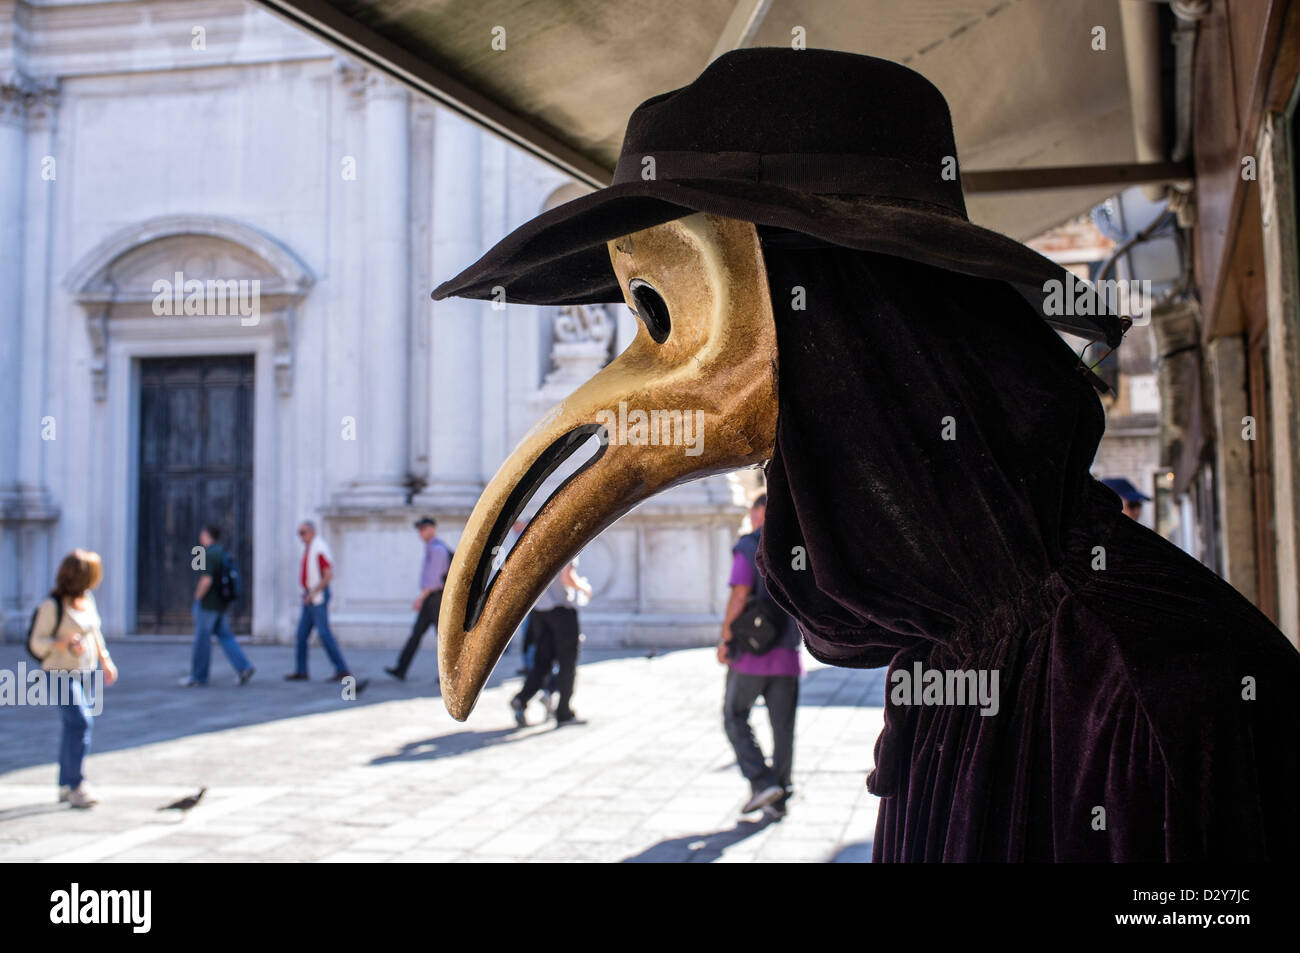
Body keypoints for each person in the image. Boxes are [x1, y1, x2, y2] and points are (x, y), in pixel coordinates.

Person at [719, 494, 801, 819]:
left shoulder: (750, 546)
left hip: (751, 655)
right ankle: (779, 797)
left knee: (734, 715)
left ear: (759, 512)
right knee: (783, 728)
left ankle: (762, 781)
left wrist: (725, 638)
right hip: (787, 655)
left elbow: (739, 594)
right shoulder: (799, 548)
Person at [28, 550, 117, 808]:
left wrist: (105, 660)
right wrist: (63, 643)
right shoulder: (51, 605)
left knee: (72, 726)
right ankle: (77, 783)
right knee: (80, 722)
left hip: (84, 671)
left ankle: (65, 784)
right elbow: (37, 642)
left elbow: (94, 632)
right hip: (58, 673)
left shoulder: (87, 599)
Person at [510, 558, 590, 726]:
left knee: (542, 662)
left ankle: (522, 698)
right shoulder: (567, 537)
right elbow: (567, 578)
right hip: (562, 611)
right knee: (567, 663)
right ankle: (564, 712)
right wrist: (584, 588)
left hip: (539, 612)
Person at [181, 524, 254, 687]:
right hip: (221, 603)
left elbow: (205, 579)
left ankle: (198, 676)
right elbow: (200, 569)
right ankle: (244, 667)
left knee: (202, 640)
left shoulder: (209, 553)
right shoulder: (220, 552)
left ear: (206, 534)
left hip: (207, 604)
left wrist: (197, 597)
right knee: (225, 636)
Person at [385, 516, 453, 680]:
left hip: (435, 599)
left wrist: (420, 598)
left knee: (443, 639)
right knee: (416, 634)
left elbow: (434, 580)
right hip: (431, 599)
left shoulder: (437, 550)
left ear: (432, 529)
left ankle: (448, 675)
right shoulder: (431, 548)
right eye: (419, 529)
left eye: (423, 528)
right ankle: (401, 668)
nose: (420, 532)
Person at [285, 520, 353, 682]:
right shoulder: (311, 548)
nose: (301, 537)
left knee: (324, 634)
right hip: (310, 596)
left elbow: (328, 575)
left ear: (312, 532)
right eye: (299, 533)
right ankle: (301, 670)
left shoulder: (319, 549)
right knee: (301, 634)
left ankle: (342, 669)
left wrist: (314, 592)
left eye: (303, 533)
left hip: (317, 597)